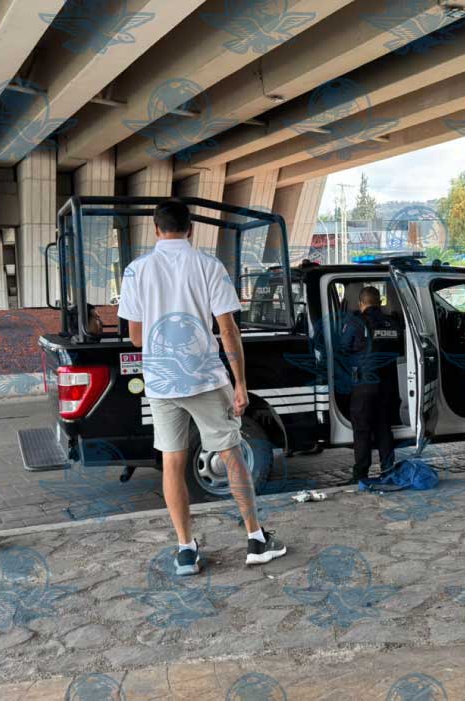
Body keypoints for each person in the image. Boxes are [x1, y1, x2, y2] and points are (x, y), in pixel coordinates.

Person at [118, 198, 286, 576]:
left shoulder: (136, 271)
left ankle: (185, 551)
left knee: (173, 462)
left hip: (161, 382)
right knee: (231, 454)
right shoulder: (209, 266)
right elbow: (227, 329)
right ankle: (256, 539)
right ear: (190, 228)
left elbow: (134, 336)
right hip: (205, 377)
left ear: (156, 229)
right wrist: (240, 382)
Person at [340, 286, 403, 484]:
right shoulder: (392, 323)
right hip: (388, 385)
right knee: (384, 427)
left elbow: (343, 347)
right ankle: (388, 470)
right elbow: (400, 349)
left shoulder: (355, 322)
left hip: (364, 385)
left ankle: (361, 475)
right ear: (379, 302)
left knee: (362, 430)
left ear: (361, 303)